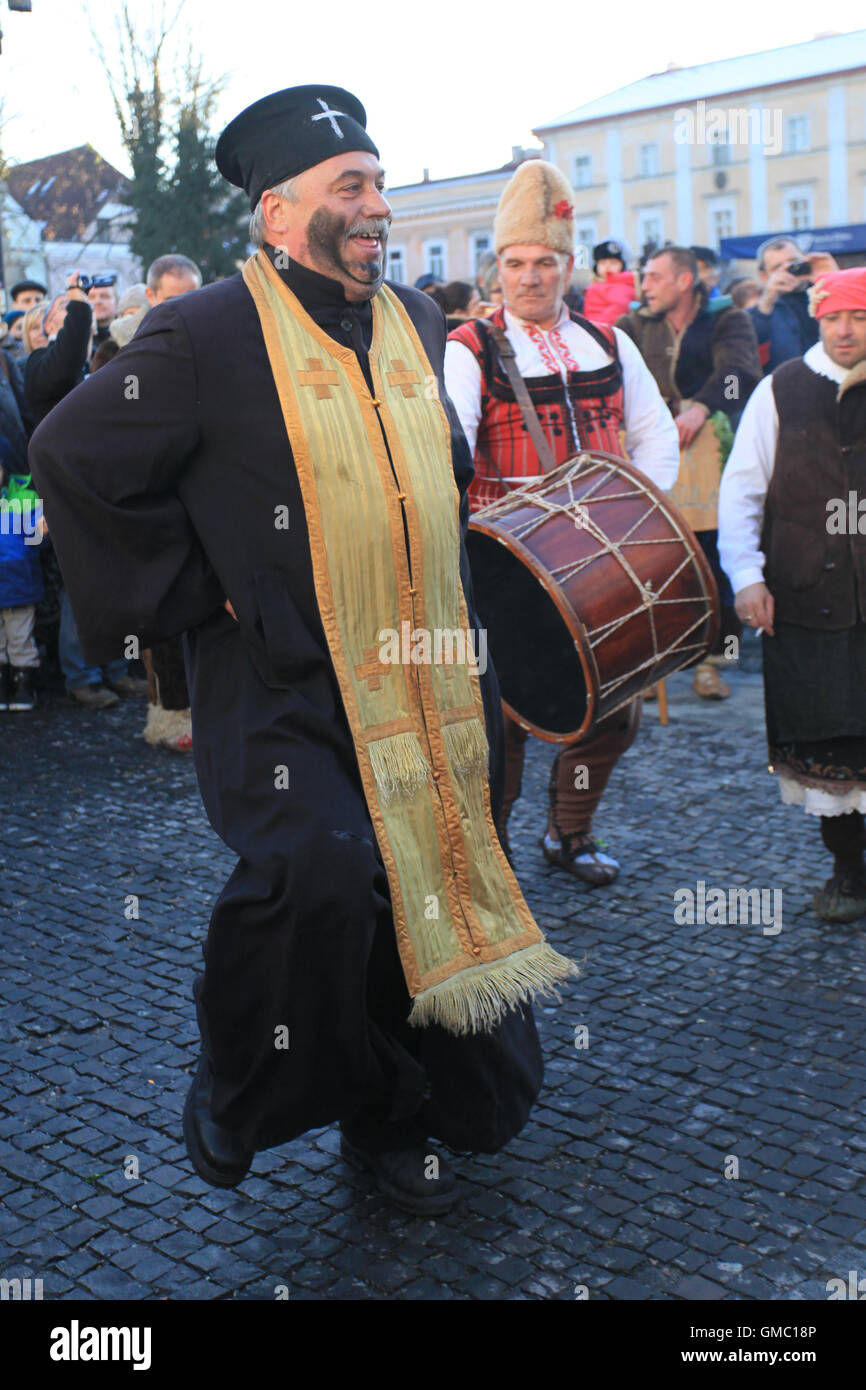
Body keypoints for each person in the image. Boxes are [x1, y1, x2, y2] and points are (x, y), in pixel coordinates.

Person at [30, 85, 578, 1214]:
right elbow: (70, 451)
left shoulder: (417, 319)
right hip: (282, 685)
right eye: (352, 189)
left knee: (412, 890)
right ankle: (241, 1081)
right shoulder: (203, 331)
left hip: (427, 673)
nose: (377, 206)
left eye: (380, 184)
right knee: (319, 873)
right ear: (277, 213)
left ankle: (394, 1114)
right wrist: (195, 592)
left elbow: (433, 470)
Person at [445, 160, 679, 884]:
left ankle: (568, 834)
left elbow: (656, 436)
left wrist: (631, 521)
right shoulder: (470, 349)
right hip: (507, 567)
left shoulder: (610, 344)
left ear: (568, 266)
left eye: (544, 262)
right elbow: (448, 456)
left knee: (614, 714)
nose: (529, 277)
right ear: (498, 269)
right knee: (507, 718)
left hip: (603, 564)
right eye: (515, 262)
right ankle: (494, 855)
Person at [719, 267, 866, 923]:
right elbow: (742, 489)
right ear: (817, 319)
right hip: (807, 596)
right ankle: (850, 872)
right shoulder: (781, 388)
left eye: (859, 317)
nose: (844, 329)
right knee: (828, 741)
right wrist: (746, 576)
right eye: (834, 317)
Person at [617, 245, 762, 699]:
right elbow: (611, 375)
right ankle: (650, 666)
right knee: (650, 560)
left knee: (712, 556)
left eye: (654, 277)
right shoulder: (632, 324)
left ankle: (714, 663)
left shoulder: (726, 317)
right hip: (647, 450)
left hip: (708, 449)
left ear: (684, 281)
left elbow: (740, 374)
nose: (644, 286)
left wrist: (701, 407)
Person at [26, 272, 143, 708]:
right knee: (79, 590)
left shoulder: (84, 364)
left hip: (98, 493)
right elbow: (73, 341)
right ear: (43, 329)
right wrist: (77, 297)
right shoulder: (40, 369)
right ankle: (81, 676)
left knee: (110, 584)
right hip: (63, 496)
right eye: (66, 310)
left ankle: (113, 668)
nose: (80, 314)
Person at [141, 253, 204, 753]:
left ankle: (210, 710)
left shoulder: (214, 344)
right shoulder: (125, 351)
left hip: (205, 503)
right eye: (171, 300)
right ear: (151, 298)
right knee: (161, 621)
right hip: (153, 505)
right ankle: (168, 714)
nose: (185, 310)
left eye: (192, 299)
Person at [749, 237, 838, 374]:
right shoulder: (762, 310)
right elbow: (749, 346)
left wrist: (835, 279)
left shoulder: (824, 293)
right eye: (777, 267)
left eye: (793, 262)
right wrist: (768, 299)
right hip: (784, 385)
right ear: (765, 276)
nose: (788, 269)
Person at [582, 238, 636, 325]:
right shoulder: (595, 286)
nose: (607, 266)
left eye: (613, 263)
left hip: (608, 328)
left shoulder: (625, 284)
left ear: (622, 266)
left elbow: (619, 307)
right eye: (602, 263)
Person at [86, 275, 119, 350]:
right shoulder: (77, 338)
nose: (97, 301)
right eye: (91, 297)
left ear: (117, 305)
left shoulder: (128, 336)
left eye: (104, 296)